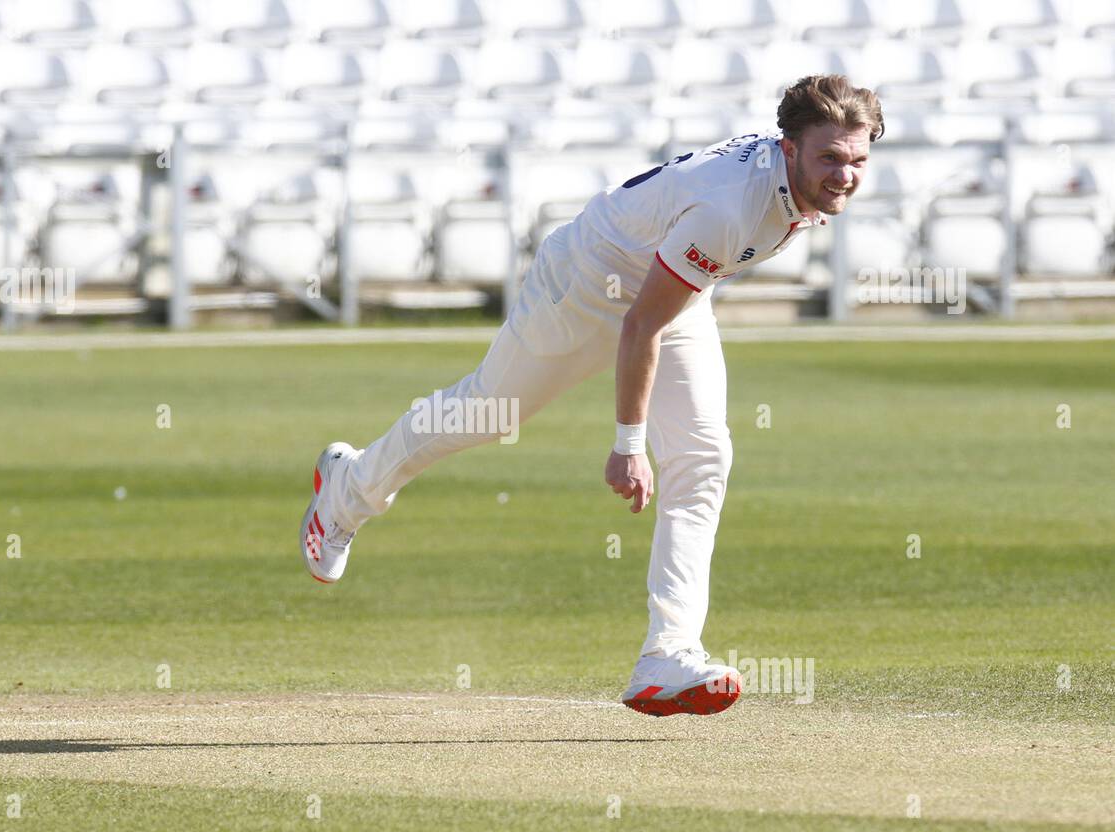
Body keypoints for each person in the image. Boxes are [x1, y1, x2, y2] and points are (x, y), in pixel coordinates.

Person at [300, 74, 883, 716]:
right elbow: (640, 326)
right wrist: (627, 445)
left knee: (702, 457)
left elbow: (662, 303)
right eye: (830, 157)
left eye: (857, 159)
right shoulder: (730, 208)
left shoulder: (784, 183)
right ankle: (349, 488)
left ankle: (668, 653)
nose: (845, 175)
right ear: (790, 147)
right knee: (485, 414)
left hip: (671, 288)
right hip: (583, 285)